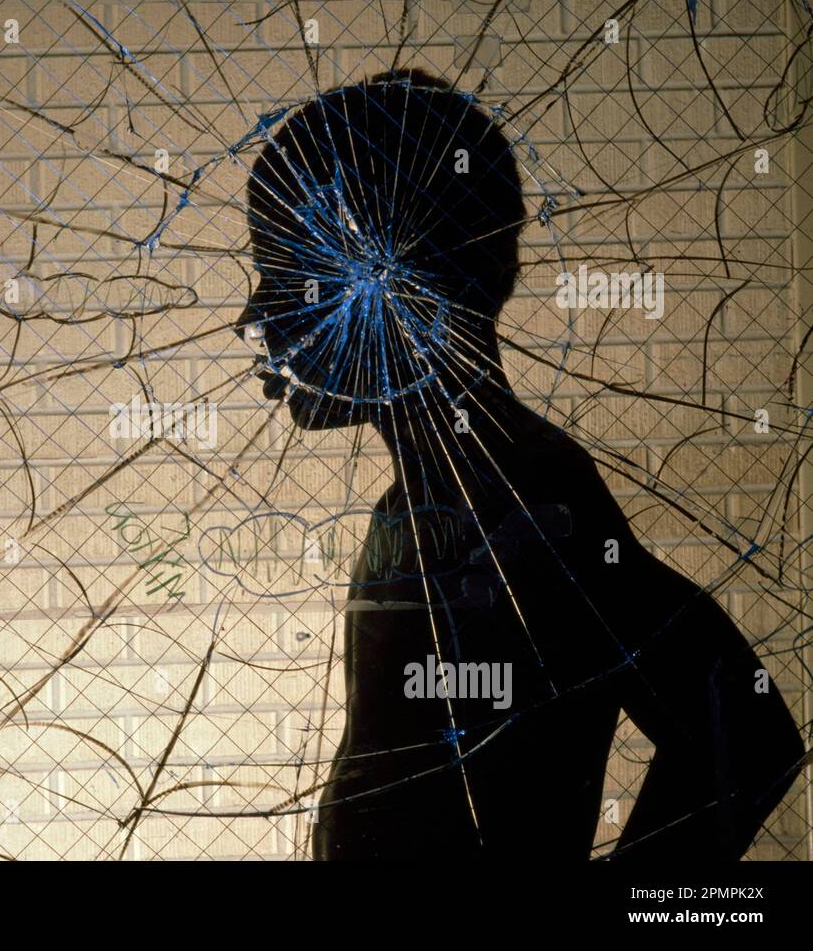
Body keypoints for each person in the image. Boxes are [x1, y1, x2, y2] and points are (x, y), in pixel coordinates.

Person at [235, 68, 806, 860]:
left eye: (286, 276)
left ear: (399, 281)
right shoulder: (439, 496)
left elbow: (749, 734)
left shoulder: (522, 498)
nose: (252, 319)